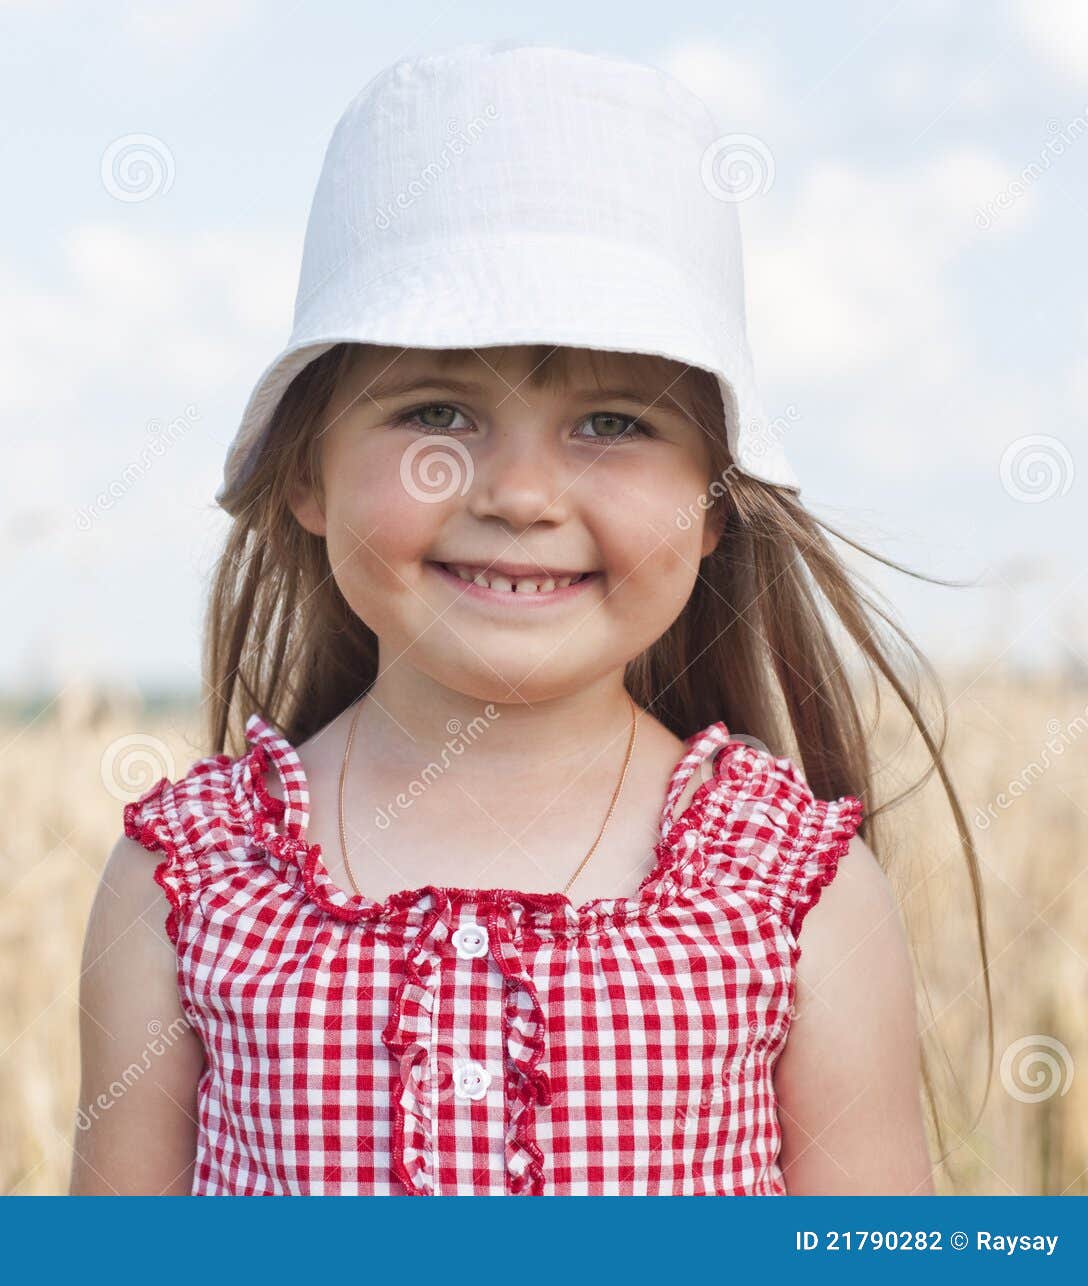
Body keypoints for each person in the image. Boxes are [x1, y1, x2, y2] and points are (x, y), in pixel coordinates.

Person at [73, 40, 987, 1196]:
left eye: (612, 422)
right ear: (306, 474)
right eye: (437, 410)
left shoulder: (797, 890)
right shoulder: (189, 880)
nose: (516, 494)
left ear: (715, 505)